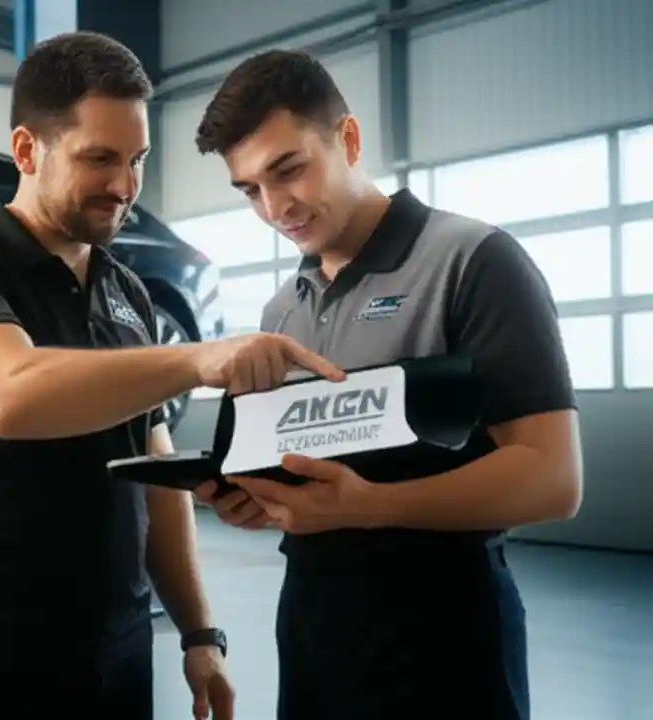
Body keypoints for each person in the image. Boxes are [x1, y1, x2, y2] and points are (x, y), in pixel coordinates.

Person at [0, 33, 343, 720]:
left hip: (121, 656)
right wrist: (198, 359)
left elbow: (153, 473)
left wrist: (198, 632)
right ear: (27, 151)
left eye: (137, 160)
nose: (126, 187)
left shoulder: (126, 291)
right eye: (100, 158)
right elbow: (8, 395)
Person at [190, 49, 584, 719]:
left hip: (444, 629)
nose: (275, 207)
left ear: (348, 139)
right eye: (250, 190)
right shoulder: (281, 312)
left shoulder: (474, 262)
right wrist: (258, 502)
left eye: (288, 170)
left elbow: (553, 479)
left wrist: (366, 505)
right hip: (312, 623)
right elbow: (309, 472)